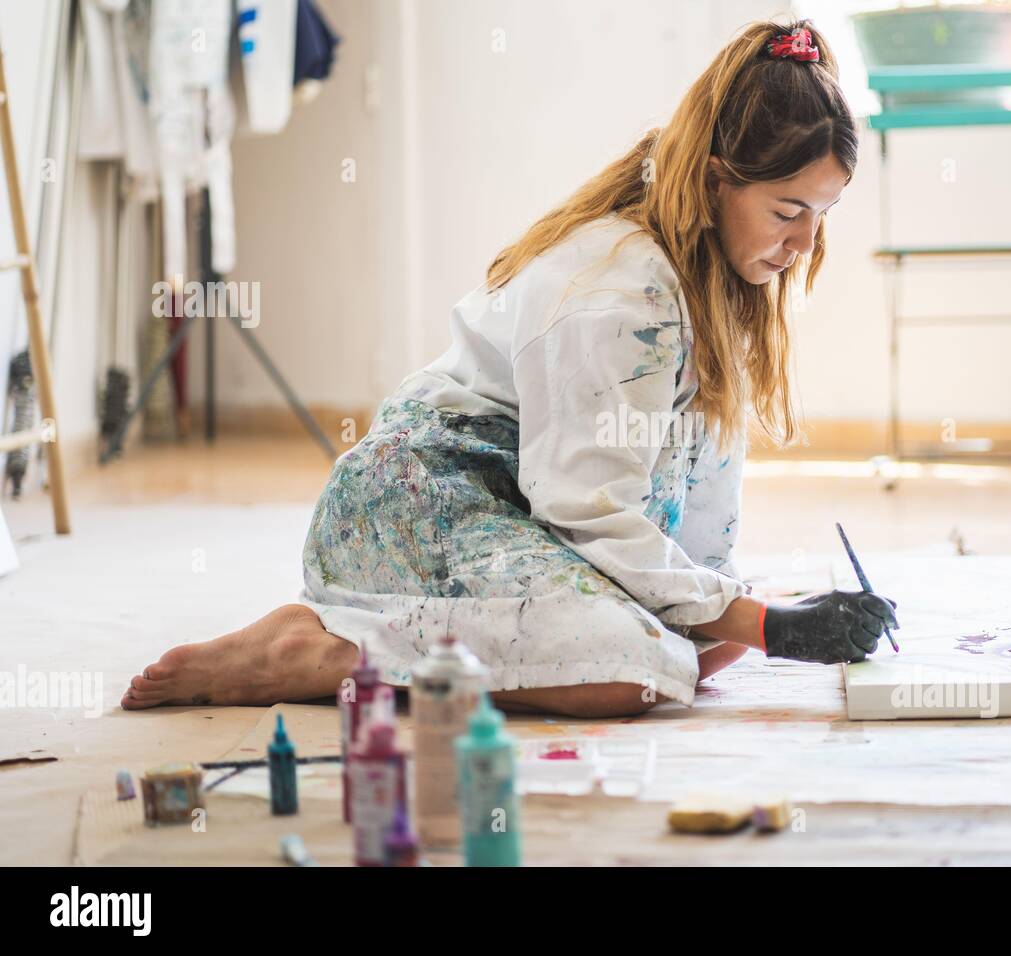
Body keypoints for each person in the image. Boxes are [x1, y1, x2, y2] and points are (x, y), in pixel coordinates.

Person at [121, 20, 899, 719]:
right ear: (715, 178)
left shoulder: (723, 281)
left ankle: (555, 639)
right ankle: (324, 651)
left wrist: (741, 612)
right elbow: (586, 508)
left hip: (524, 505)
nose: (803, 246)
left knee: (706, 640)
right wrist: (767, 622)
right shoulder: (620, 291)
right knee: (630, 669)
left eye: (821, 216)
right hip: (425, 501)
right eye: (788, 212)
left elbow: (700, 504)